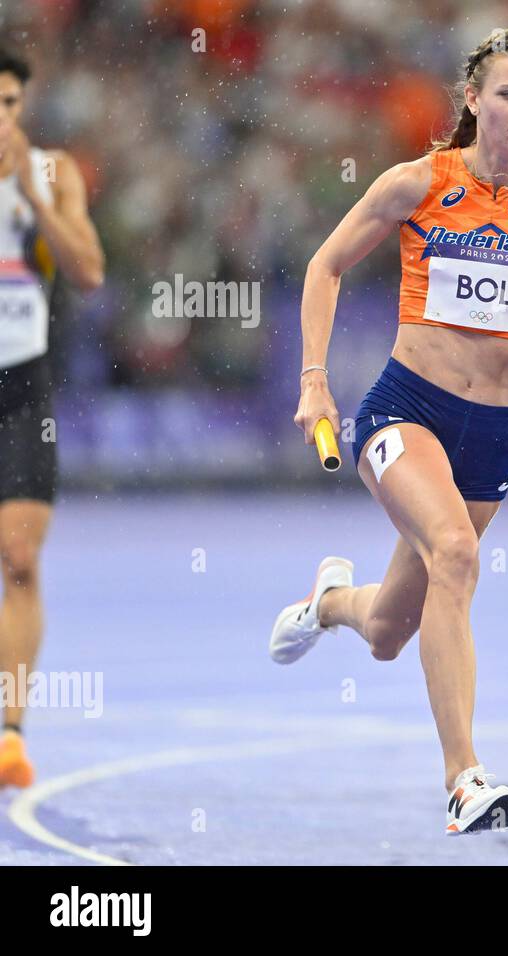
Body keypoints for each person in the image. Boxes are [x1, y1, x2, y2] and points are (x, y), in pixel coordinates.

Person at [268, 27, 508, 835]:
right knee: (456, 553)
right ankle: (464, 778)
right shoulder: (419, 182)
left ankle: (329, 602)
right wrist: (314, 381)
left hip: (494, 432)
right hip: (405, 412)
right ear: (473, 99)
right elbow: (325, 265)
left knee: (389, 628)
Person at [0, 47, 105, 790]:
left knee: (20, 557)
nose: (1, 118)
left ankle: (8, 729)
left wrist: (31, 201)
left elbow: (90, 271)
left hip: (19, 388)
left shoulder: (50, 172)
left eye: (10, 104)